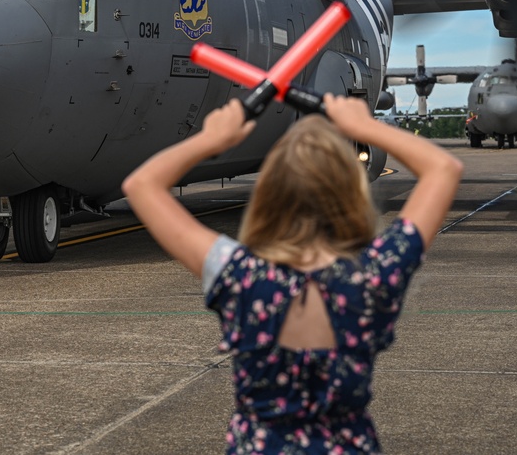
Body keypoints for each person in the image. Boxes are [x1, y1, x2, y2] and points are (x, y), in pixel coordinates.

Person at [122, 94, 463, 454]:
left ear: (270, 194)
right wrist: (364, 127)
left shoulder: (240, 275)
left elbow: (141, 186)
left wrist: (211, 139)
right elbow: (443, 169)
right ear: (351, 193)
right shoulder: (373, 275)